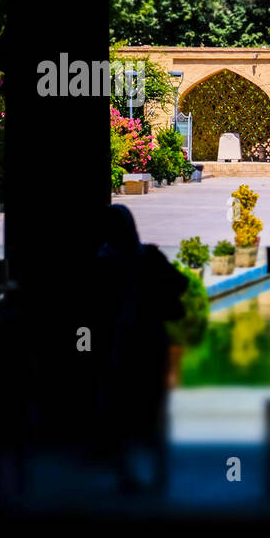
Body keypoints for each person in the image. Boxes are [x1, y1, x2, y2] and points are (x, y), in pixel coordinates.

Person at [95, 204, 188, 492]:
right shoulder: (149, 257)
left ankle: (127, 475)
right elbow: (180, 283)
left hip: (120, 347)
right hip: (151, 342)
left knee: (121, 412)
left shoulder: (104, 262)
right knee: (153, 411)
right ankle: (159, 475)